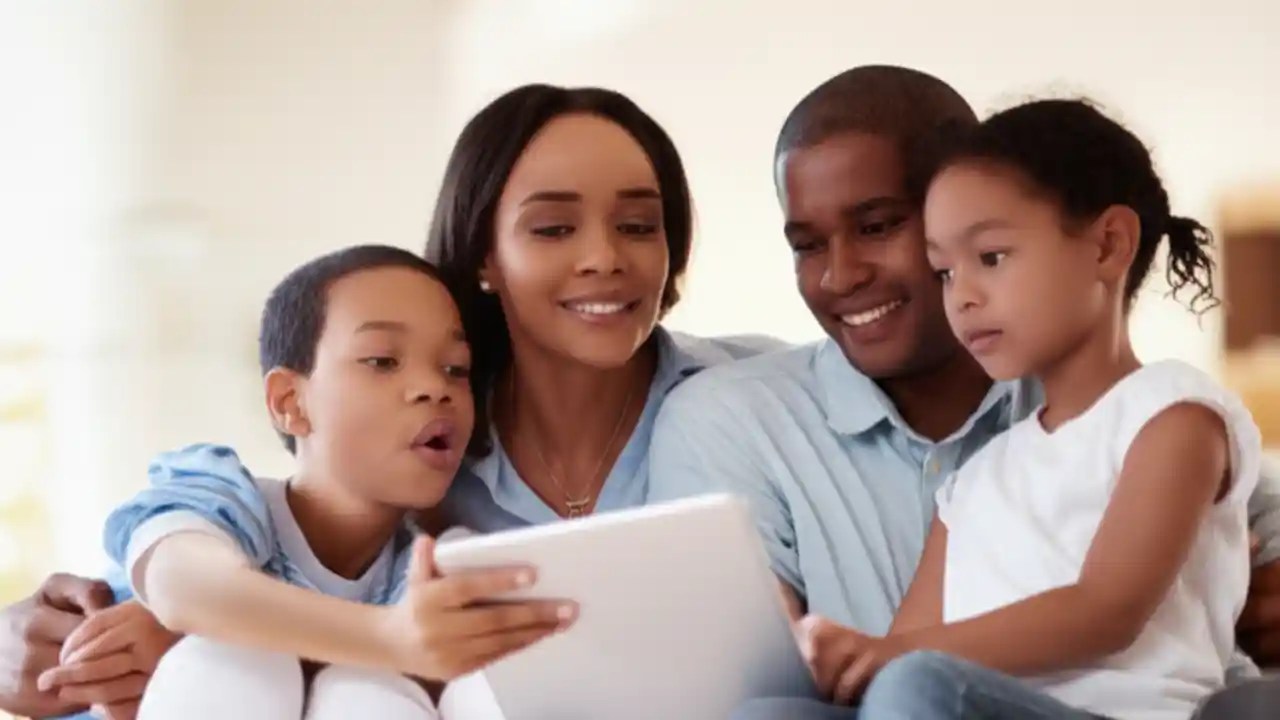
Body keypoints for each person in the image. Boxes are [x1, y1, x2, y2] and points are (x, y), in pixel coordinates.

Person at [0, 83, 778, 718]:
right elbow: (184, 584)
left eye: (640, 225)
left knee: (361, 691)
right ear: (485, 255)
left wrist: (390, 649)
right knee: (245, 668)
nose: (604, 258)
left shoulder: (751, 403)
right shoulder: (288, 496)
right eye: (551, 228)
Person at [645, 65, 1280, 714]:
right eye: (947, 270)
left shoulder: (1172, 414)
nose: (966, 296)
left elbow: (1107, 609)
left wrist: (892, 659)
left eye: (991, 258)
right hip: (979, 706)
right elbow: (900, 650)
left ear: (1108, 246)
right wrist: (838, 654)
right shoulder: (981, 478)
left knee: (918, 684)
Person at [39, 244, 577, 719]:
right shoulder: (221, 498)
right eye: (383, 360)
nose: (433, 389)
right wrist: (391, 641)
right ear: (290, 403)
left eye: (455, 369)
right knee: (235, 658)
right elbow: (188, 588)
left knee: (366, 695)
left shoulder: (425, 570)